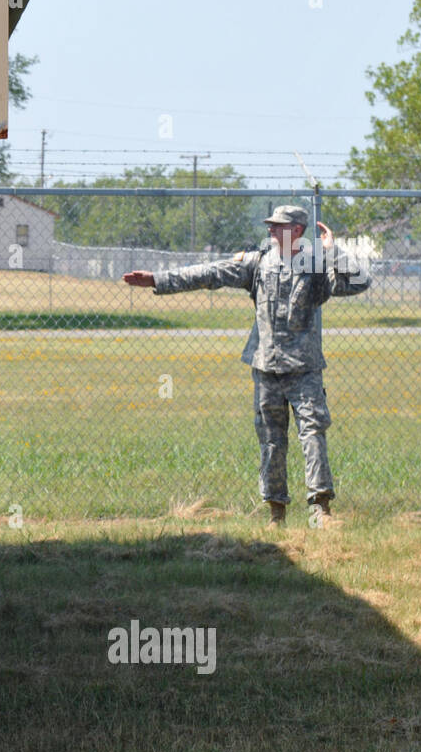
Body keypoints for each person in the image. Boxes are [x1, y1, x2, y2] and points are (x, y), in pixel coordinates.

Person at [122, 205, 370, 526]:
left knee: (313, 434)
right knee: (270, 440)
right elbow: (211, 273)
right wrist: (159, 279)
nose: (269, 230)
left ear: (296, 230)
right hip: (266, 368)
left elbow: (359, 282)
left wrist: (332, 251)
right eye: (269, 225)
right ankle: (276, 512)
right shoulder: (258, 262)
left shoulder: (315, 264)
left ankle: (320, 510)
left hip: (304, 369)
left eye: (277, 226)